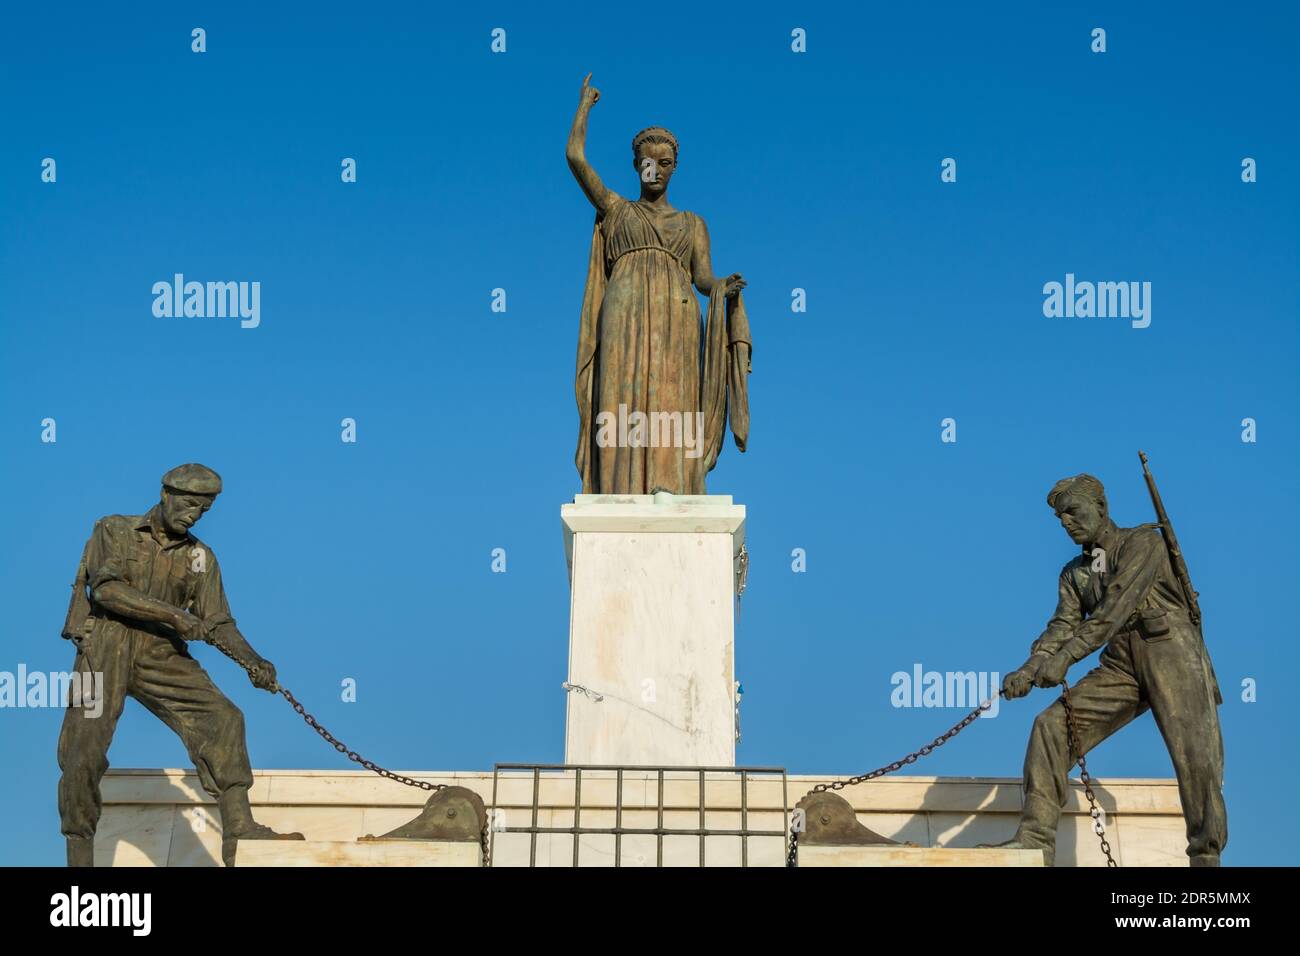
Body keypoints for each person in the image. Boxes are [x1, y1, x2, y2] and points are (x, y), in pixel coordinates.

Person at [57, 463, 304, 866]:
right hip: (106, 646)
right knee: (83, 750)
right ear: (166, 494)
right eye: (189, 504)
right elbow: (106, 590)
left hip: (161, 652)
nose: (193, 514)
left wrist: (253, 661)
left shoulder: (201, 558)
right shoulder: (115, 529)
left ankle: (239, 828)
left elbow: (218, 621)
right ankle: (80, 853)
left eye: (203, 510)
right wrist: (176, 616)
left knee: (224, 718)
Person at [992, 473, 1226, 866]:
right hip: (1119, 663)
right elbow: (1062, 625)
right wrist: (1030, 668)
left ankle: (1206, 854)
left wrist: (1064, 659)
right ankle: (1034, 841)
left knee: (1196, 758)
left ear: (1101, 507)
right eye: (1060, 517)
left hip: (1170, 649)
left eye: (1072, 511)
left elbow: (1112, 610)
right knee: (1051, 727)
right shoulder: (1073, 573)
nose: (1066, 522)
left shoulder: (1143, 543)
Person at [567, 72, 752, 494]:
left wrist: (724, 286)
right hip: (624, 309)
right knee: (619, 397)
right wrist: (585, 106)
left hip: (677, 317)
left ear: (675, 167)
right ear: (636, 164)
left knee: (673, 399)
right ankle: (617, 486)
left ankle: (671, 482)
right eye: (646, 161)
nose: (654, 169)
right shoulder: (616, 209)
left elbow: (703, 278)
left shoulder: (692, 223)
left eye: (664, 162)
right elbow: (575, 157)